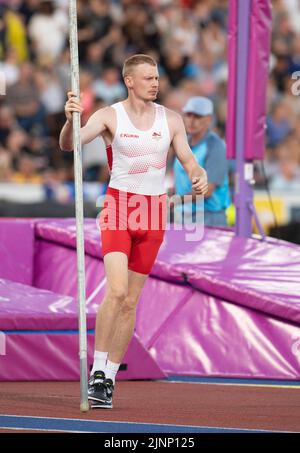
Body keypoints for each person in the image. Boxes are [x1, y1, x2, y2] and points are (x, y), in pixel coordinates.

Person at [59, 54, 208, 409]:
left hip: (154, 212)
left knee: (130, 301)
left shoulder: (170, 119)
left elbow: (187, 158)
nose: (155, 83)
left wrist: (198, 174)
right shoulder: (110, 116)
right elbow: (69, 145)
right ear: (129, 81)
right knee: (118, 290)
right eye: (148, 78)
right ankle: (97, 369)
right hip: (119, 208)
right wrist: (70, 121)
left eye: (156, 78)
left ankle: (108, 378)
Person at [173, 96, 231, 227]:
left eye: (197, 117)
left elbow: (207, 190)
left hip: (208, 217)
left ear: (209, 120)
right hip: (184, 216)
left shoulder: (215, 146)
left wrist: (174, 201)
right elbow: (180, 183)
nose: (191, 121)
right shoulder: (182, 144)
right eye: (188, 115)